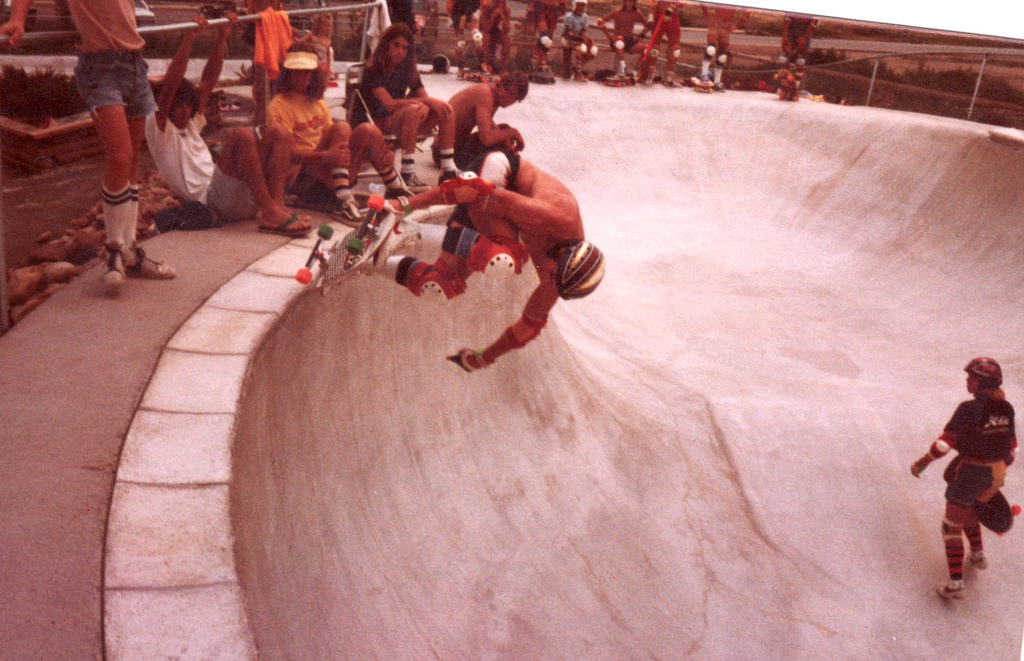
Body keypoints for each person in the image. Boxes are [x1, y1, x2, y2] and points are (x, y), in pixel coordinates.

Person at [1, 0, 175, 295]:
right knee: (119, 157)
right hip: (100, 68)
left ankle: (130, 252)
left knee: (132, 162)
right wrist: (18, 18)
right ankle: (115, 251)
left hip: (135, 63)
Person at [381, 148, 606, 370]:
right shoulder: (551, 217)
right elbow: (474, 191)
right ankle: (412, 230)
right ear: (561, 252)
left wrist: (483, 358)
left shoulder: (558, 277)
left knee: (439, 285)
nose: (546, 279)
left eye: (554, 282)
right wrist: (406, 205)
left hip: (499, 210)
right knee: (504, 259)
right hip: (495, 174)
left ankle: (375, 265)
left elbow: (529, 326)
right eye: (551, 275)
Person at [147, 13, 312, 236]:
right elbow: (169, 87)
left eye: (188, 105)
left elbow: (208, 81)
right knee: (241, 135)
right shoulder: (159, 130)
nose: (186, 111)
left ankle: (277, 206)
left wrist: (221, 37)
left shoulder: (191, 124)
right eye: (179, 106)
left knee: (279, 133)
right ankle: (270, 211)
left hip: (238, 196)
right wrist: (188, 40)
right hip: (213, 202)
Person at [911, 357, 1017, 600]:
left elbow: (943, 445)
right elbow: (1011, 450)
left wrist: (922, 464)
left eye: (972, 377)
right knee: (970, 510)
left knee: (950, 526)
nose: (968, 380)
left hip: (972, 473)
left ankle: (955, 584)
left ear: (982, 382)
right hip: (997, 472)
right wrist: (994, 470)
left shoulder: (967, 409)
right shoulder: (1007, 408)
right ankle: (978, 554)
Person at [268, 47, 413, 224]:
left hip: (331, 176)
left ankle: (394, 188)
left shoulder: (317, 103)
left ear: (313, 75)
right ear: (287, 74)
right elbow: (285, 154)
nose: (301, 78)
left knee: (369, 131)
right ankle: (343, 201)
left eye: (306, 73)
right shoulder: (279, 105)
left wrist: (379, 155)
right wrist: (325, 156)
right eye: (295, 73)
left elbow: (340, 148)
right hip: (301, 178)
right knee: (342, 127)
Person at [357, 23, 458, 188]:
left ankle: (448, 169)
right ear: (386, 44)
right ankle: (407, 171)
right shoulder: (374, 68)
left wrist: (425, 105)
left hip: (401, 119)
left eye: (405, 48)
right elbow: (389, 105)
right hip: (378, 122)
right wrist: (422, 103)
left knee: (445, 109)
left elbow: (424, 97)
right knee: (411, 111)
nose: (400, 51)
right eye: (396, 45)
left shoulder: (407, 68)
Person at [446, 71, 528, 169]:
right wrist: (513, 133)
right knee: (501, 151)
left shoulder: (495, 95)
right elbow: (486, 138)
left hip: (456, 147)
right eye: (508, 92)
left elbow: (491, 128)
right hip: (446, 154)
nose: (508, 99)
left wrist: (506, 140)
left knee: (504, 131)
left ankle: (513, 164)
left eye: (514, 97)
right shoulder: (485, 94)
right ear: (501, 85)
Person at [698, 3, 749, 90]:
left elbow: (747, 12)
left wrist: (737, 26)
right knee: (711, 49)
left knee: (722, 57)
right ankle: (704, 75)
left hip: (726, 27)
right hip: (716, 24)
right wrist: (707, 18)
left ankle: (717, 81)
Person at [636, 0, 684, 86]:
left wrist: (674, 6)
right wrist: (650, 17)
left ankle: (669, 77)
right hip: (659, 14)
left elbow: (683, 3)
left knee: (675, 50)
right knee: (655, 48)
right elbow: (652, 3)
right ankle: (651, 75)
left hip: (673, 16)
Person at [596, 0, 648, 78]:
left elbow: (648, 25)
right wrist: (609, 37)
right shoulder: (618, 12)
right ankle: (623, 69)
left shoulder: (637, 13)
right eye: (628, 1)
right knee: (620, 41)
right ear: (624, 2)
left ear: (634, 2)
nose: (629, 3)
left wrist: (641, 35)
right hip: (617, 40)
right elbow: (600, 21)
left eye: (631, 1)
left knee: (646, 49)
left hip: (629, 40)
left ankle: (634, 72)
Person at [777, 12, 818, 100]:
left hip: (806, 27)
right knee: (783, 58)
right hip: (791, 26)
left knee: (800, 60)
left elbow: (815, 20)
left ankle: (795, 88)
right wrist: (785, 36)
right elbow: (787, 17)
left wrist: (804, 37)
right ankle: (783, 87)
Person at [560, 0, 597, 81]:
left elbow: (583, 31)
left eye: (583, 6)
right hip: (567, 38)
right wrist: (582, 39)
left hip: (578, 39)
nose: (581, 8)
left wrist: (587, 39)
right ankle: (578, 72)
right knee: (582, 48)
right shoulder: (569, 16)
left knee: (593, 49)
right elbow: (569, 33)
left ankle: (577, 68)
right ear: (574, 5)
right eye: (579, 5)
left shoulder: (585, 17)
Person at [295, 13, 335, 78]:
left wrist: (328, 67)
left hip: (323, 65)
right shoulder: (312, 35)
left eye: (329, 26)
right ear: (319, 25)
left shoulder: (327, 40)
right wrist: (293, 37)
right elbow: (300, 42)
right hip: (313, 64)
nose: (328, 28)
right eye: (326, 25)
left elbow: (328, 56)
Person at [478, 0, 512, 74]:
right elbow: (486, 29)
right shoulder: (486, 8)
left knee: (507, 39)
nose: (500, 4)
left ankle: (503, 69)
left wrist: (502, 17)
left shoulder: (506, 10)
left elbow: (506, 30)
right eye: (498, 2)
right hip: (481, 31)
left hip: (493, 31)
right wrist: (493, 16)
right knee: (487, 37)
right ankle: (485, 65)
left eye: (502, 2)